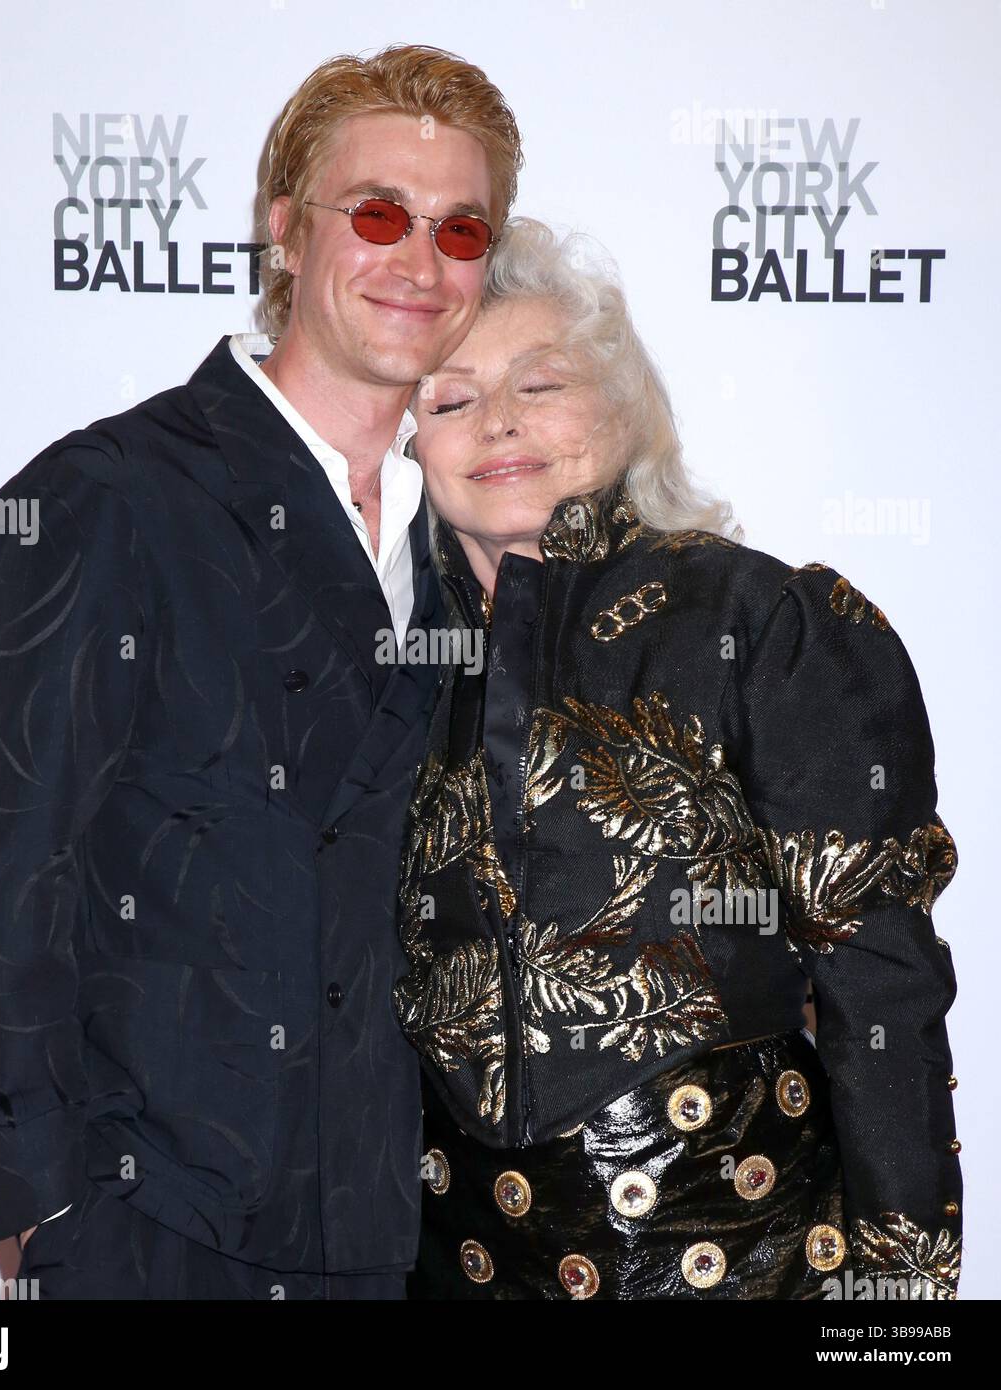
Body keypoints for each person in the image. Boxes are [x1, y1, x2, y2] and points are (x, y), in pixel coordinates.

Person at [0, 43, 522, 1299]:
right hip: (156, 1233)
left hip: (392, 1233)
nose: (419, 261)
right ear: (285, 233)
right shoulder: (108, 497)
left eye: (460, 231)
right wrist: (55, 1213)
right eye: (376, 215)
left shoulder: (472, 542)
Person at [392, 217, 963, 1299]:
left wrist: (900, 1298)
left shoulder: (764, 619)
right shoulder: (380, 670)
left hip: (754, 1264)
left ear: (621, 406)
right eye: (452, 397)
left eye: (542, 383)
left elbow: (878, 977)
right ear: (407, 443)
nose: (500, 421)